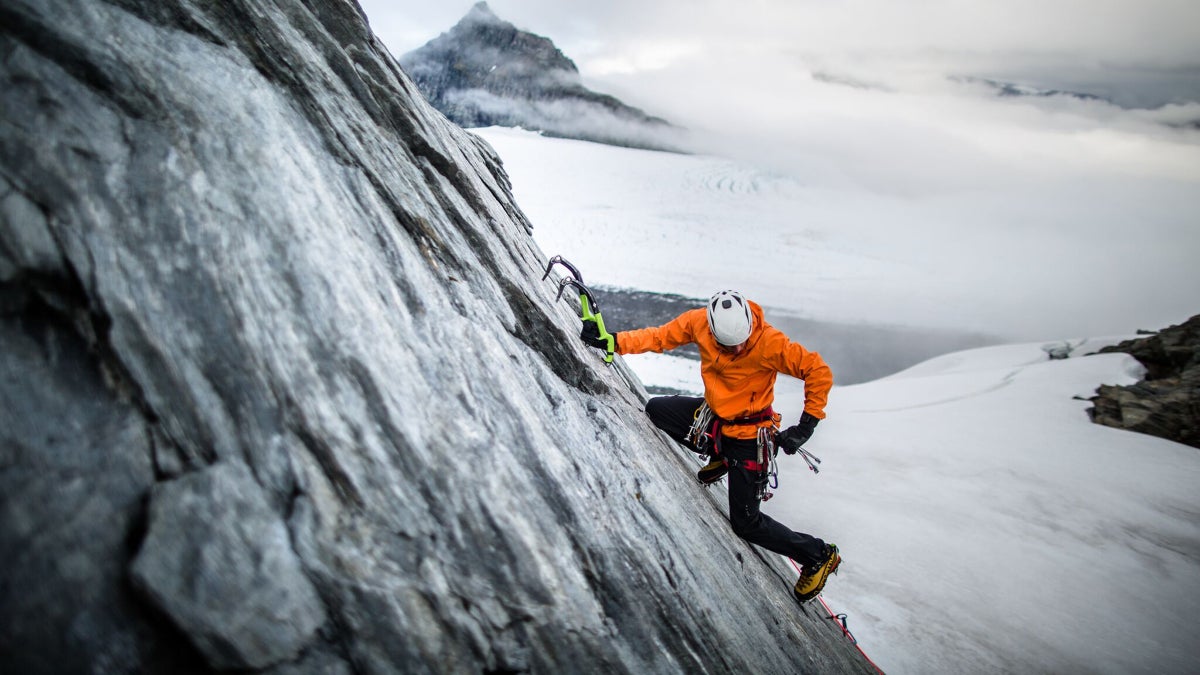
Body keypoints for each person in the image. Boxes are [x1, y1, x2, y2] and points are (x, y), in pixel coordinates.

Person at [581, 289, 840, 602]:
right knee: (657, 410)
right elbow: (660, 337)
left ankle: (817, 554)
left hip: (749, 437)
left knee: (746, 524)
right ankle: (720, 454)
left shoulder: (769, 342)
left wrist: (806, 426)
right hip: (716, 419)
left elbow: (817, 370)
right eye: (729, 345)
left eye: (742, 341)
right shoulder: (698, 322)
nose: (738, 348)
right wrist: (614, 340)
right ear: (713, 330)